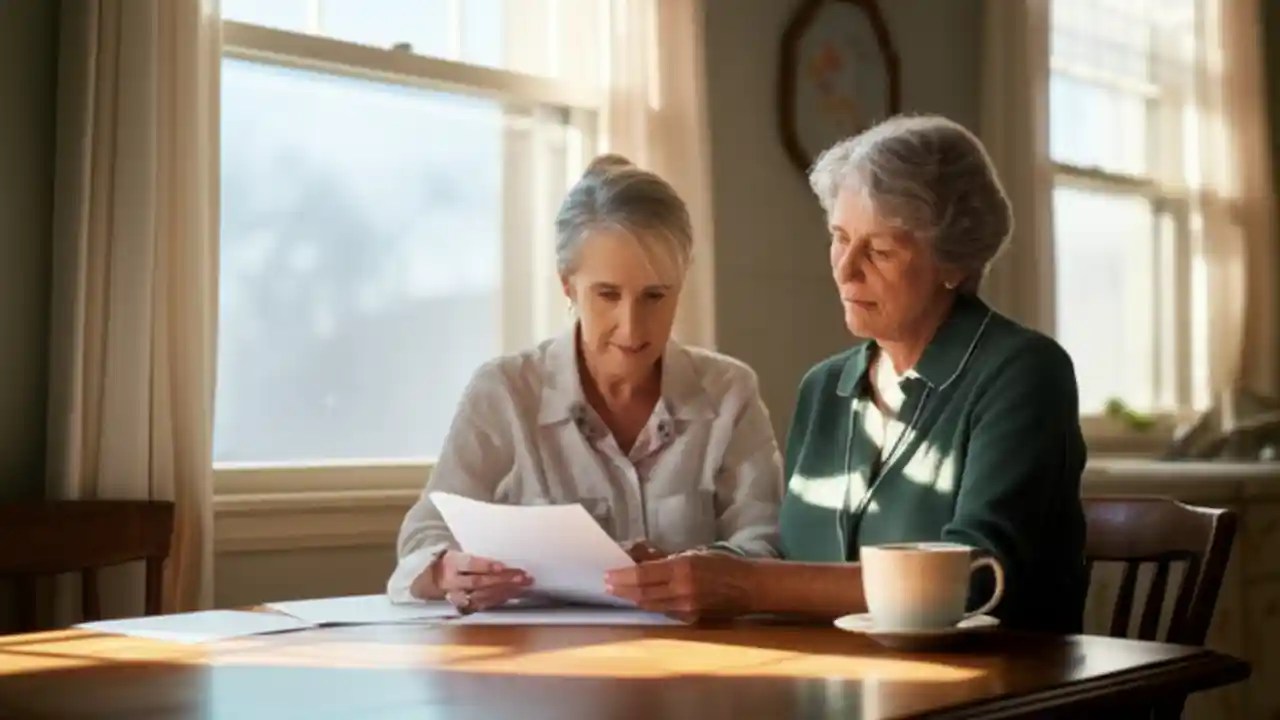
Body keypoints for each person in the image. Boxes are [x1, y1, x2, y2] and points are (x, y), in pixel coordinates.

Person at [606, 115, 1088, 634]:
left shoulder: (1024, 373)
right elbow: (797, 557)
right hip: (845, 689)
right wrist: (681, 572)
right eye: (840, 238)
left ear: (956, 261)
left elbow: (971, 582)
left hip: (998, 692)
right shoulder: (826, 386)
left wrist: (744, 583)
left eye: (879, 250)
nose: (845, 269)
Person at [387, 154, 784, 613]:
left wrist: (701, 573)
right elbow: (424, 534)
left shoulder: (730, 392)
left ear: (682, 282)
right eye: (607, 295)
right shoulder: (504, 391)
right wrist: (448, 571)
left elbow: (766, 542)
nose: (632, 329)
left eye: (656, 295)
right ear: (567, 285)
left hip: (693, 659)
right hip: (540, 668)